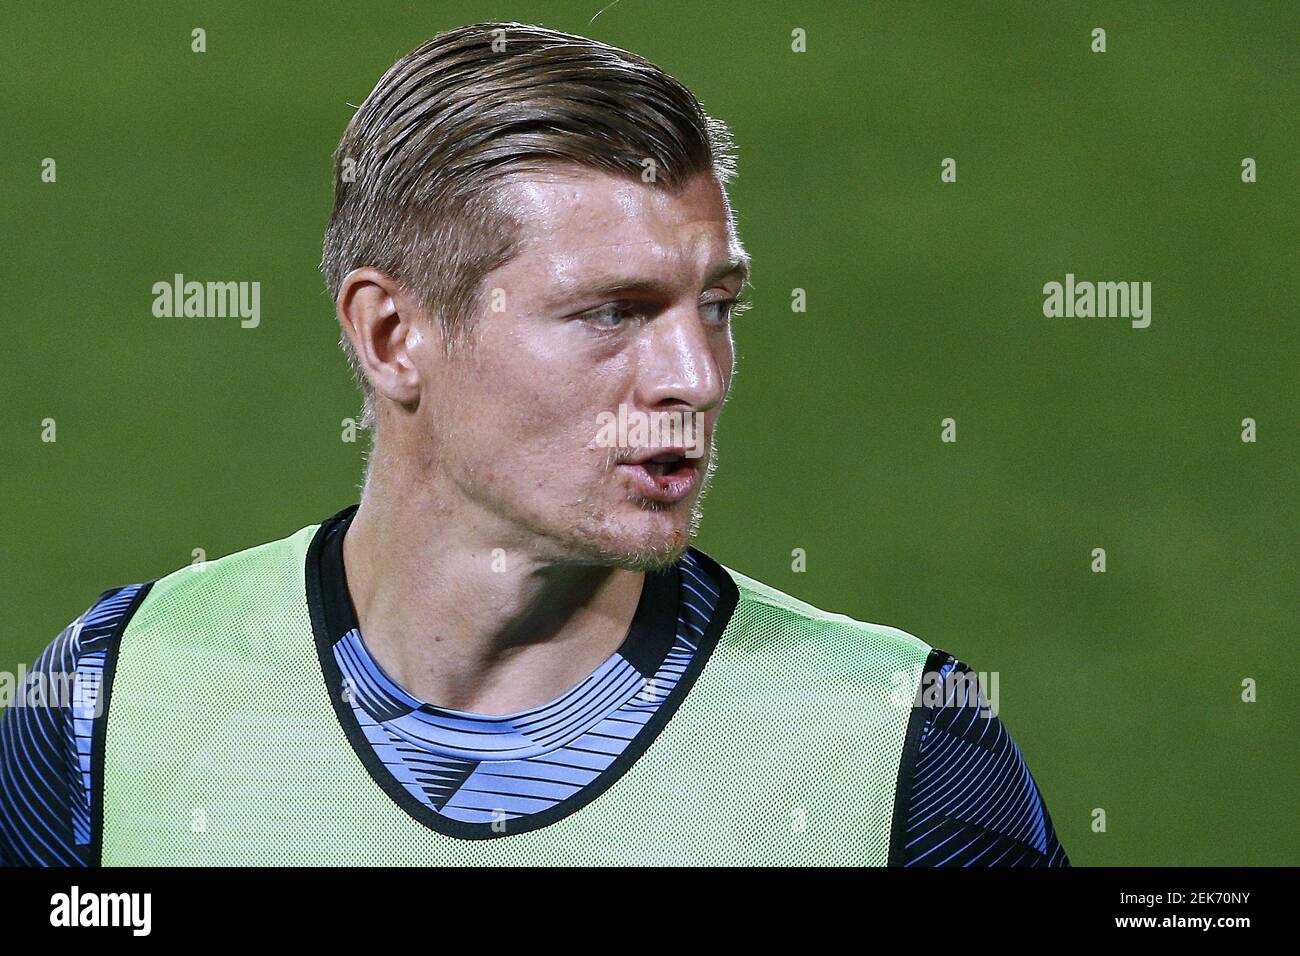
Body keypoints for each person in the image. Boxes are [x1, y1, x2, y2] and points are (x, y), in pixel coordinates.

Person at [0, 21, 1068, 867]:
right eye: (613, 311)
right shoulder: (112, 703)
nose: (694, 376)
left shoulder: (895, 750)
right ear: (392, 335)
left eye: (717, 306)